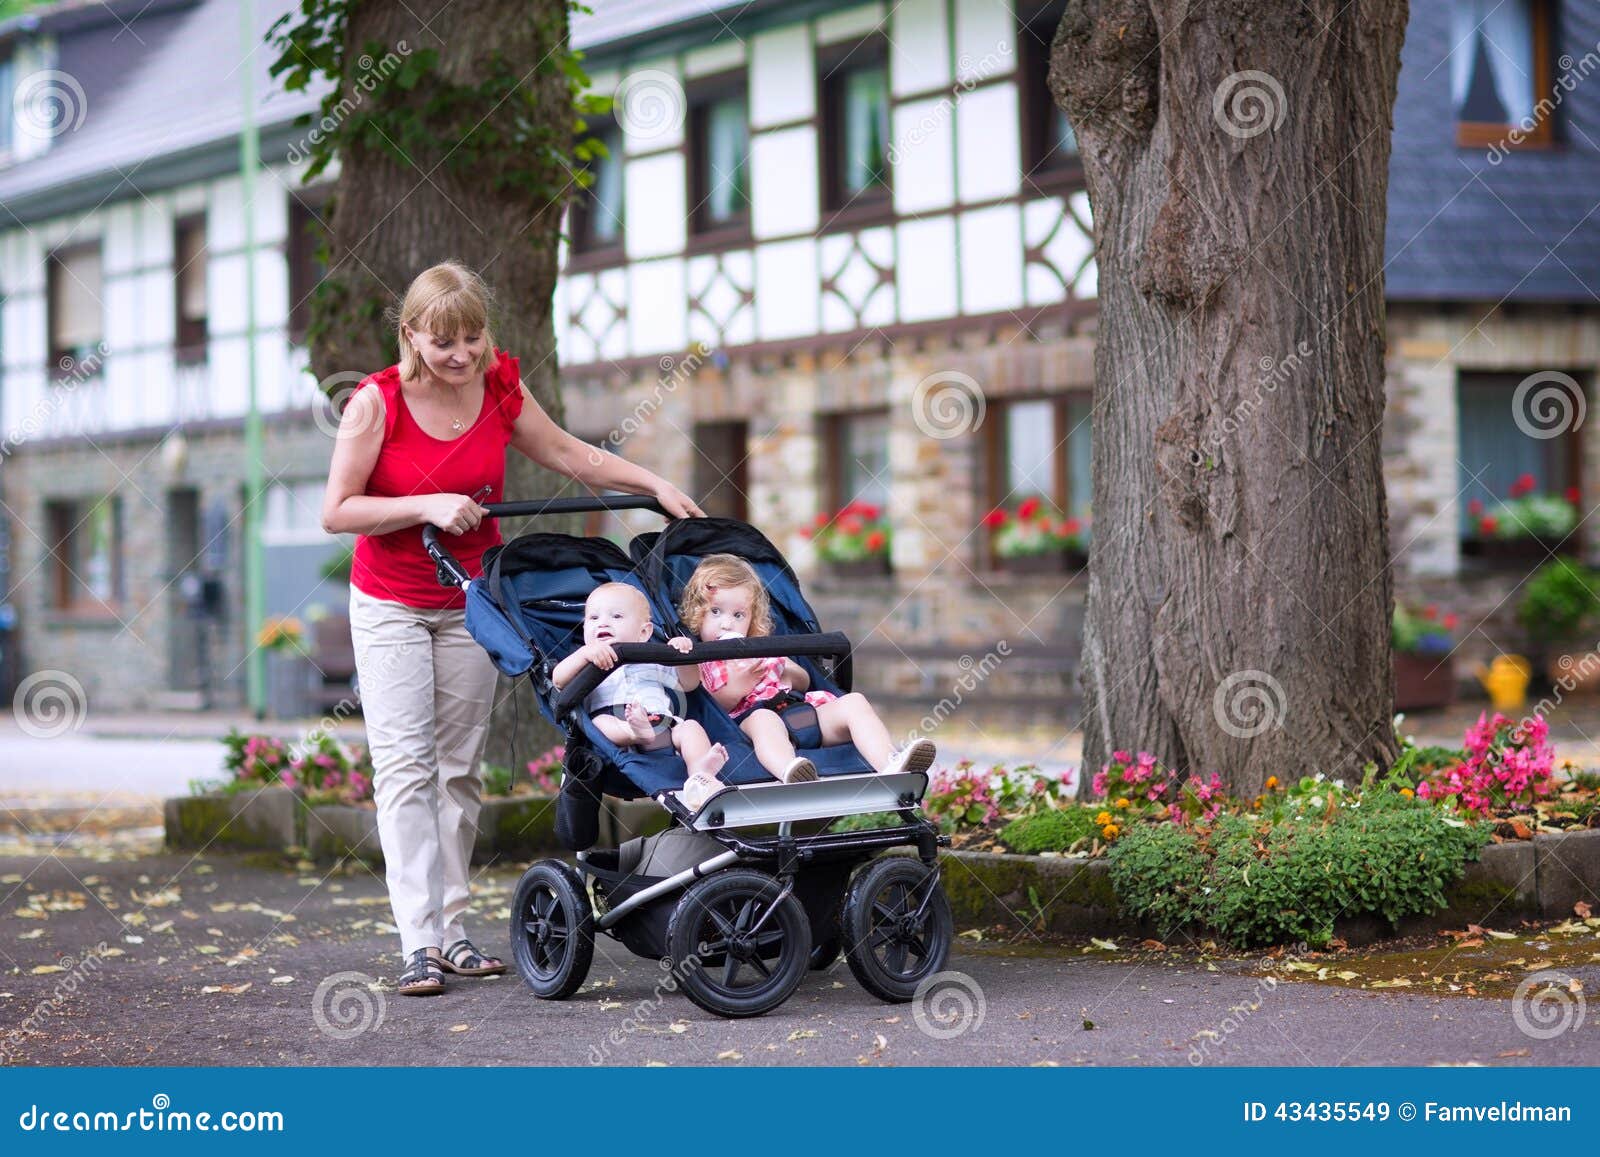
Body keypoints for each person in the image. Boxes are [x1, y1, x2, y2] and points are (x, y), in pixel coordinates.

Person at [321, 261, 702, 996]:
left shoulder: (498, 384)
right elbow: (337, 510)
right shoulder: (375, 403)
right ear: (411, 336)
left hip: (470, 599)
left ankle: (456, 931)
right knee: (406, 768)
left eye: (471, 338)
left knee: (459, 767)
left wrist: (648, 482)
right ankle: (418, 941)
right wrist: (426, 503)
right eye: (443, 342)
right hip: (392, 601)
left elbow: (564, 452)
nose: (460, 354)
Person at [679, 554, 936, 782]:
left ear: (751, 619)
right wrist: (738, 687)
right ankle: (790, 770)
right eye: (715, 612)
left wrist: (785, 672)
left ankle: (891, 764)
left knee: (854, 702)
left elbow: (803, 681)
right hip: (751, 719)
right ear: (698, 613)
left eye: (738, 615)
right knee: (765, 721)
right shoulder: (704, 660)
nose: (727, 624)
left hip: (802, 710)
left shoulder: (762, 648)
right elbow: (712, 706)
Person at [550, 582, 728, 810]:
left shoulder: (654, 659)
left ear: (644, 632)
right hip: (618, 732)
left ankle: (700, 776)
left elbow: (690, 683)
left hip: (662, 725)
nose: (603, 622)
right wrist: (585, 653)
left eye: (616, 616)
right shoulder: (586, 662)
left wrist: (682, 654)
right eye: (593, 618)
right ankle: (635, 732)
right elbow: (558, 679)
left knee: (690, 727)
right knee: (599, 723)